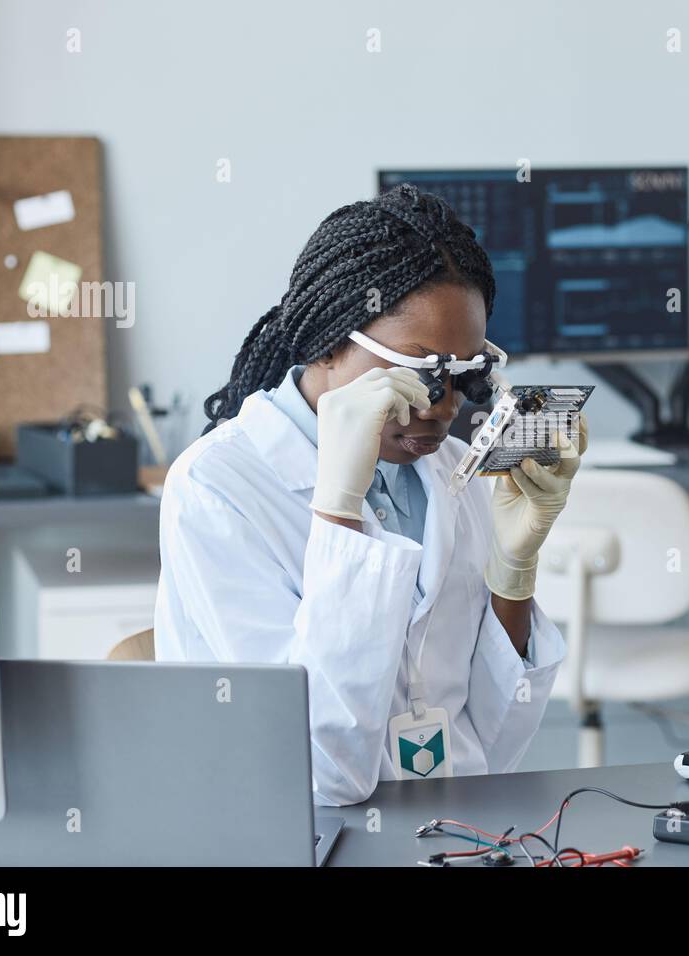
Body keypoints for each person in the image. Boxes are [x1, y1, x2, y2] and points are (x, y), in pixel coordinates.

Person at [154, 184, 586, 805]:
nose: (445, 406)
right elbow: (321, 774)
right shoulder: (217, 488)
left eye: (466, 375)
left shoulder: (454, 474)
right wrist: (337, 510)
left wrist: (513, 573)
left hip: (445, 823)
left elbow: (493, 749)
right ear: (330, 342)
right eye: (423, 371)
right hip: (289, 834)